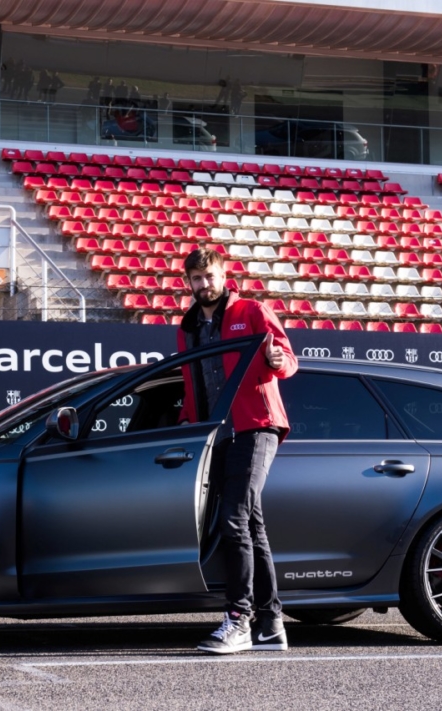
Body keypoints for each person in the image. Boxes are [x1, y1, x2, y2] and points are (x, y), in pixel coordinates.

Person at [176, 247, 297, 655]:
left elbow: (287, 360)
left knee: (233, 518)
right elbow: (192, 382)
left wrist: (277, 359)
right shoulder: (188, 326)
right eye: (196, 278)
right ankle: (270, 624)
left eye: (209, 276)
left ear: (224, 275)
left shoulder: (252, 311)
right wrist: (188, 426)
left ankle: (238, 619)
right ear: (188, 282)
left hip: (255, 425)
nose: (203, 284)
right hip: (217, 434)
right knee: (252, 528)